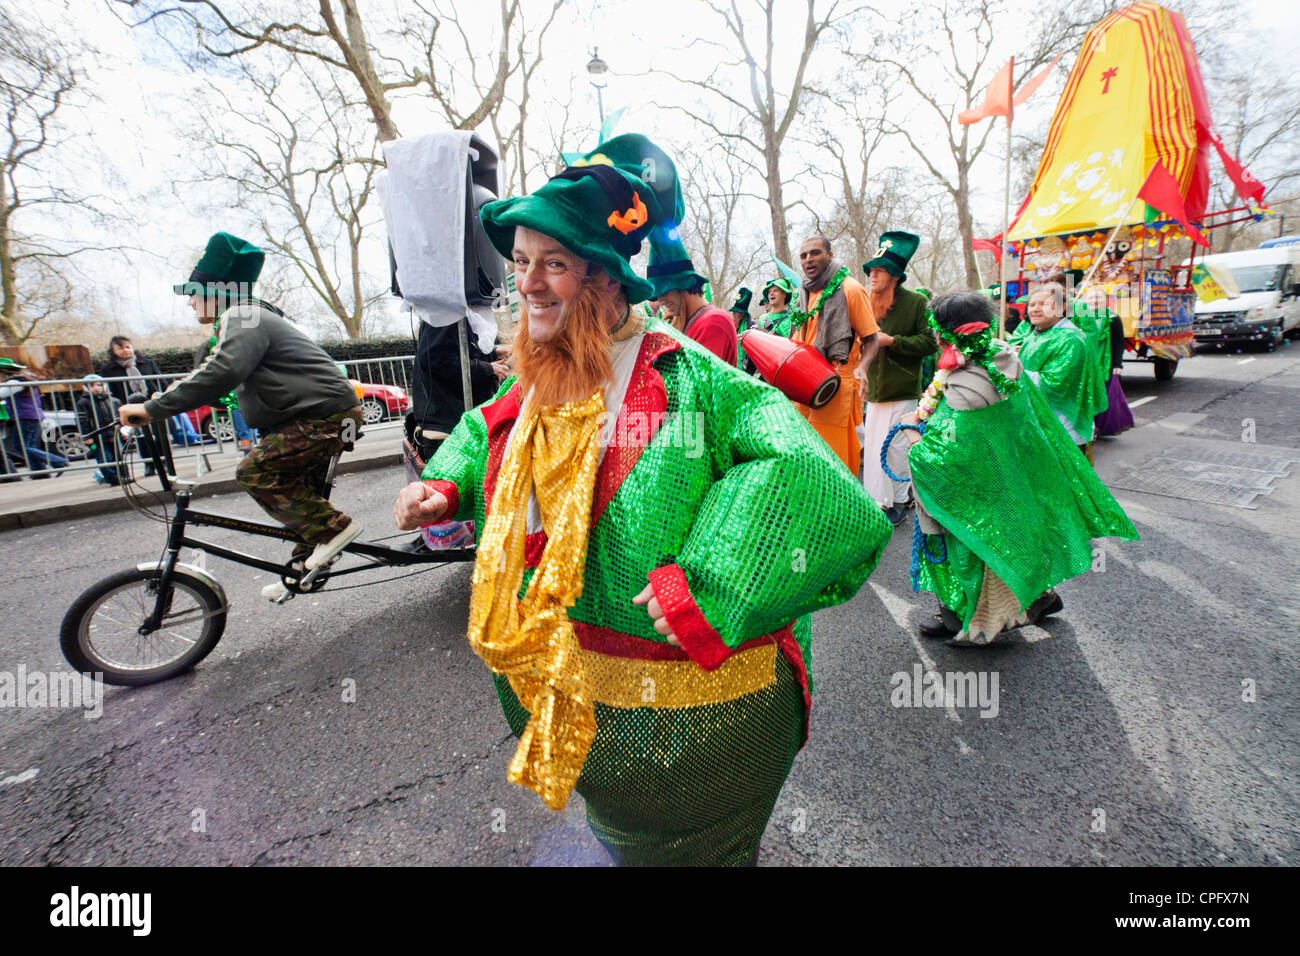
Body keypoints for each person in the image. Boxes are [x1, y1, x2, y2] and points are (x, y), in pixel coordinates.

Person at [392, 135, 890, 866]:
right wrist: (446, 485)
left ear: (606, 282)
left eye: (553, 264)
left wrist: (716, 580)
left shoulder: (691, 376)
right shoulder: (540, 376)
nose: (526, 282)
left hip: (700, 722)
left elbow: (809, 476)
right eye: (521, 261)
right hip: (588, 703)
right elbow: (487, 425)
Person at [118, 232, 365, 594]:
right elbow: (218, 374)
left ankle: (336, 531)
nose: (189, 303)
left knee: (256, 471)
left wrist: (153, 409)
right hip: (322, 416)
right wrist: (165, 398)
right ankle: (303, 570)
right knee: (297, 498)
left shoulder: (243, 314)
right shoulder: (246, 317)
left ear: (215, 291)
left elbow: (223, 371)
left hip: (323, 417)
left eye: (192, 293)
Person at [903, 291, 1137, 645]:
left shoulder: (971, 381)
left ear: (946, 332)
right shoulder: (997, 356)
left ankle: (971, 618)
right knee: (1014, 540)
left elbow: (953, 455)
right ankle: (1033, 598)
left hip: (980, 485)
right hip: (1007, 473)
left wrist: (913, 436)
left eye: (935, 327)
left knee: (975, 550)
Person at [854, 231, 938, 525]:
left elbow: (929, 343)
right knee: (876, 446)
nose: (872, 275)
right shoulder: (865, 301)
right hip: (873, 389)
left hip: (902, 388)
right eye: (871, 270)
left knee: (897, 447)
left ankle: (902, 500)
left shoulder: (916, 302)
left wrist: (893, 342)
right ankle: (878, 500)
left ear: (893, 274)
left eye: (878, 271)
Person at [790, 235, 880, 473]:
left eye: (815, 253)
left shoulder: (851, 289)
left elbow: (872, 338)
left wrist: (863, 368)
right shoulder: (803, 292)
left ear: (829, 255)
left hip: (836, 386)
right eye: (803, 255)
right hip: (804, 388)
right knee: (808, 462)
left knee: (835, 466)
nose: (808, 259)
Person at [1008, 282, 1096, 457]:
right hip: (1036, 422)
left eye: (1044, 304)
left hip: (1060, 428)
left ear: (1063, 307)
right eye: (1032, 305)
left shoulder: (1071, 339)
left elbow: (1054, 384)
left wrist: (1009, 368)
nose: (1035, 309)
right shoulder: (1037, 333)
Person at [645, 234, 737, 365]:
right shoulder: (693, 321)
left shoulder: (714, 323)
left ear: (681, 283)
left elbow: (700, 384)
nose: (660, 300)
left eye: (663, 291)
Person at [99, 336, 205, 448]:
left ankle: (164, 458)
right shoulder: (108, 370)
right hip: (132, 406)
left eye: (128, 347)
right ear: (113, 351)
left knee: (161, 433)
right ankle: (149, 462)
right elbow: (112, 393)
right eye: (120, 348)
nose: (125, 350)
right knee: (142, 436)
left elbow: (161, 382)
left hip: (154, 402)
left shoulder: (147, 363)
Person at [0, 358, 67, 477]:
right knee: (28, 447)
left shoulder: (15, 382)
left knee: (21, 447)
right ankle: (40, 473)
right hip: (30, 416)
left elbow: (1, 394)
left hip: (25, 417)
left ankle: (58, 462)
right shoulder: (23, 380)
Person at [1084, 286, 1135, 437]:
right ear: (1085, 301)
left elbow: (1119, 343)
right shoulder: (1079, 318)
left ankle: (1098, 426)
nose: (1094, 300)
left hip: (1104, 365)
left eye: (1098, 298)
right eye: (1091, 298)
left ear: (1104, 301)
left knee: (1102, 395)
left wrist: (1117, 364)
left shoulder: (1113, 319)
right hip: (1086, 363)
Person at [75, 374, 122, 485]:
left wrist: (123, 430)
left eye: (99, 385)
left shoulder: (113, 400)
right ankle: (113, 478)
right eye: (92, 386)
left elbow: (120, 417)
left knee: (118, 456)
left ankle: (124, 475)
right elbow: (82, 420)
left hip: (113, 434)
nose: (97, 388)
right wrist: (87, 436)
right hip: (97, 436)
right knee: (105, 458)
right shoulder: (83, 403)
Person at [730, 287, 754, 369]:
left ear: (743, 313)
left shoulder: (750, 327)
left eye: (738, 312)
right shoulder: (729, 322)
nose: (735, 314)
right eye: (734, 312)